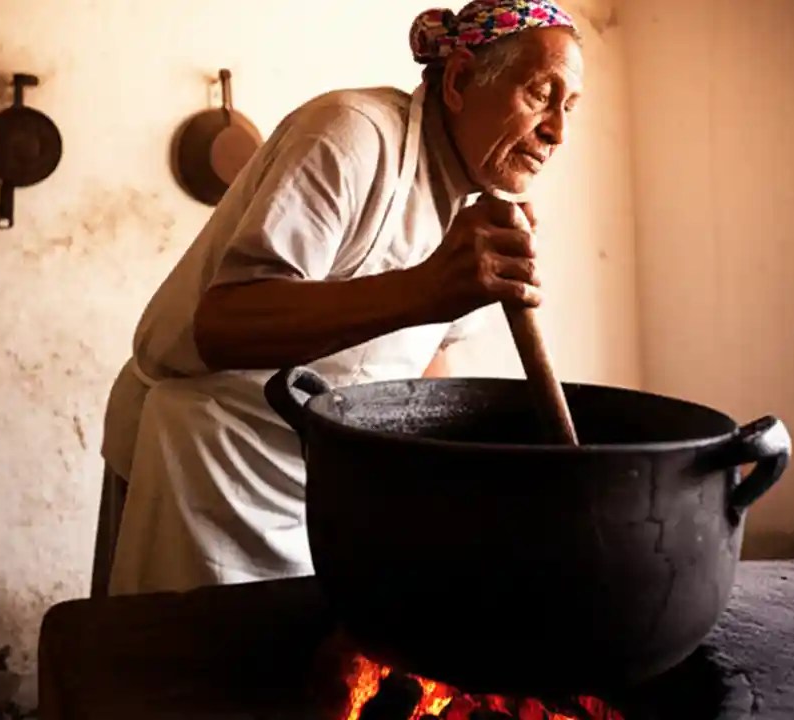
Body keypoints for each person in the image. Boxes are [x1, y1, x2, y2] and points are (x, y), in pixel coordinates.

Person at [95, 0, 585, 596]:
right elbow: (224, 323)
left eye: (570, 107)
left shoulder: (480, 202)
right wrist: (428, 289)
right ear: (458, 79)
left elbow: (424, 363)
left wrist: (436, 487)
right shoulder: (351, 134)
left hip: (324, 484)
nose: (557, 130)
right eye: (540, 94)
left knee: (309, 677)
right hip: (207, 463)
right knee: (177, 676)